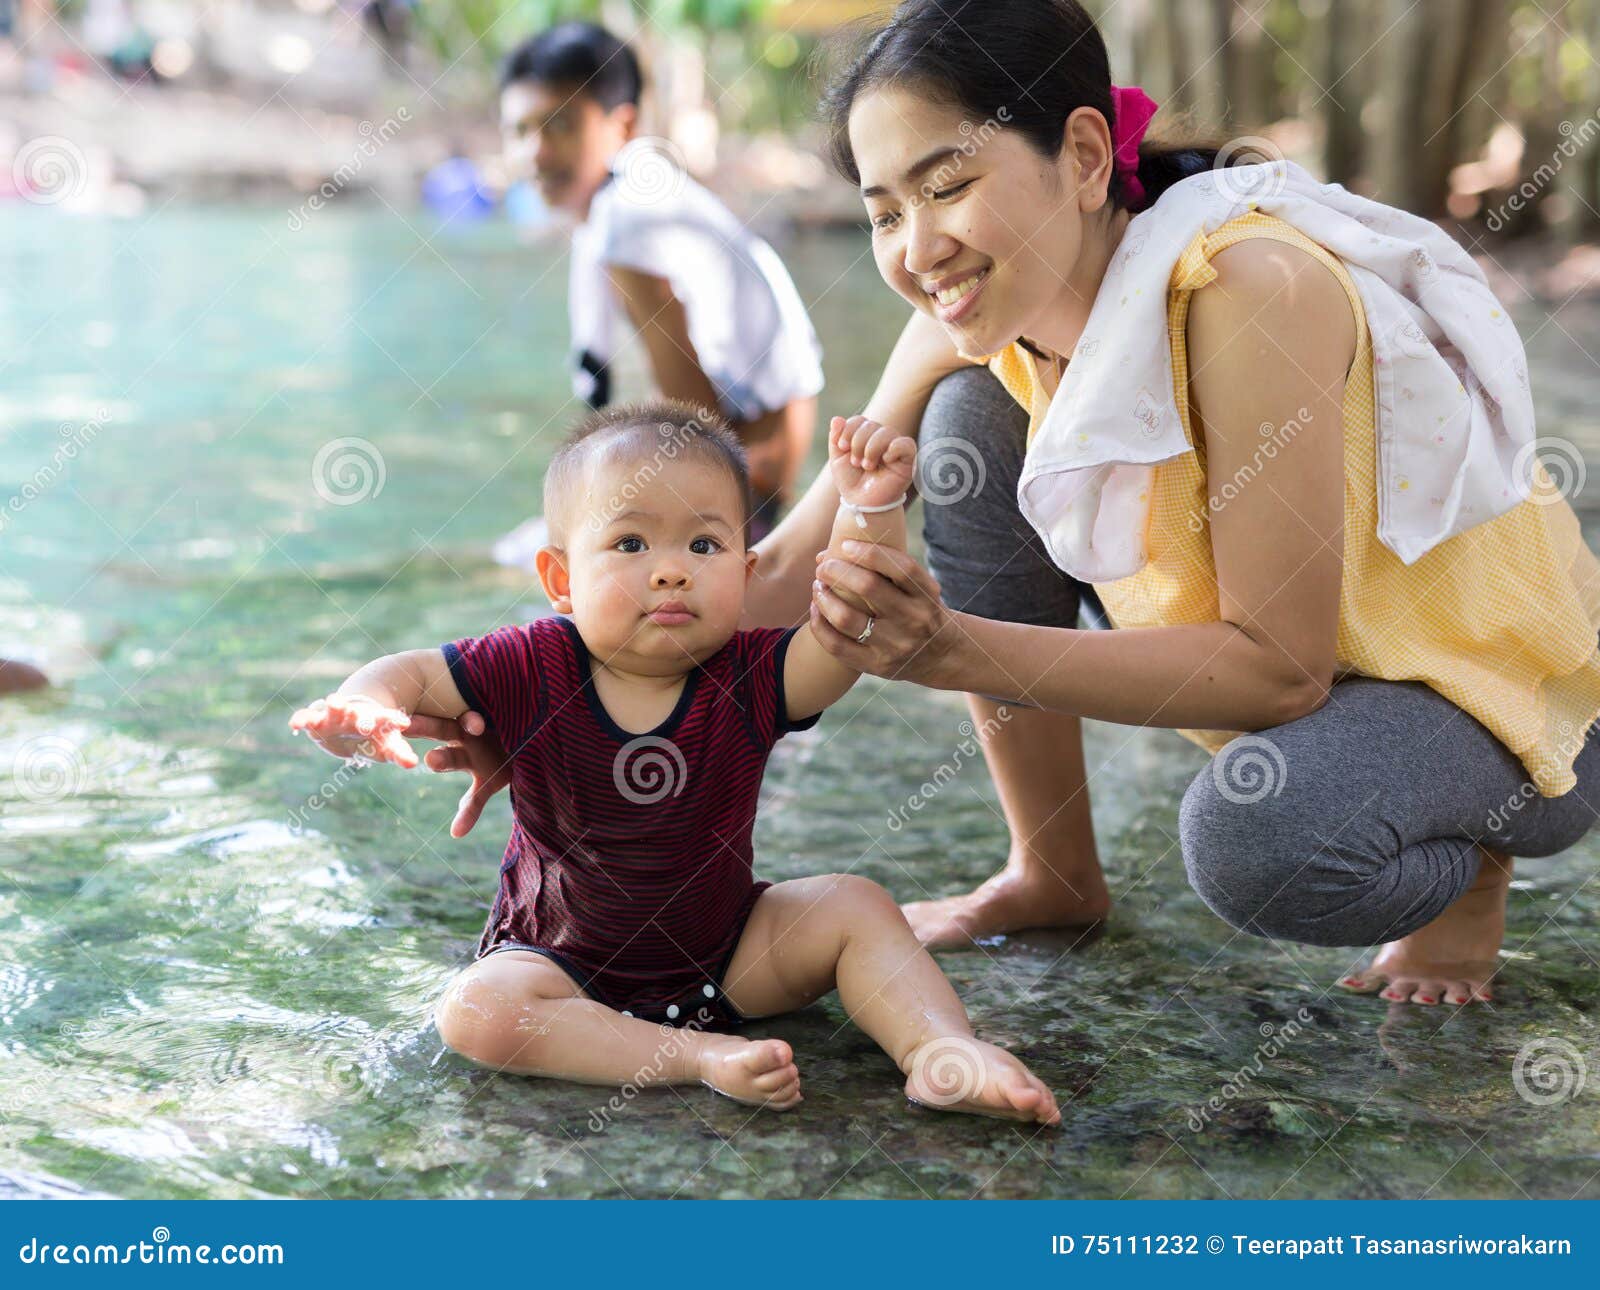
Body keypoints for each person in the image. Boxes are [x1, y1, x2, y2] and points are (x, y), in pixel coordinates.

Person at [423, 0, 1600, 1012]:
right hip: (1332, 693)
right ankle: (1051, 872)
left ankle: (1471, 856)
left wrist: (951, 649)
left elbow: (1279, 673)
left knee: (1256, 844)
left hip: (1501, 703)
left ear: (1086, 156)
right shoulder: (975, 313)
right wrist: (536, 697)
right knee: (968, 430)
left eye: (949, 184)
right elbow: (778, 572)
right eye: (885, 209)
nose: (914, 244)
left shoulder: (1248, 290)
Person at [290, 400, 1059, 1124]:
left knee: (854, 905)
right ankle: (697, 1058)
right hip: (563, 965)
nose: (671, 570)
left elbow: (854, 631)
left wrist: (871, 507)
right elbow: (414, 672)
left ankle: (938, 1048)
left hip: (724, 958)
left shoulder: (751, 674)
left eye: (704, 545)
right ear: (560, 579)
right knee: (477, 1012)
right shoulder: (532, 663)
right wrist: (366, 703)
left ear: (748, 574)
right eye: (630, 543)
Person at [497, 21, 822, 550]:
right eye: (519, 130)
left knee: (525, 565)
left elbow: (694, 429)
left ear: (621, 127)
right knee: (521, 554)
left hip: (736, 505)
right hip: (740, 489)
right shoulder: (636, 200)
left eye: (558, 126)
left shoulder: (628, 225)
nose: (536, 152)